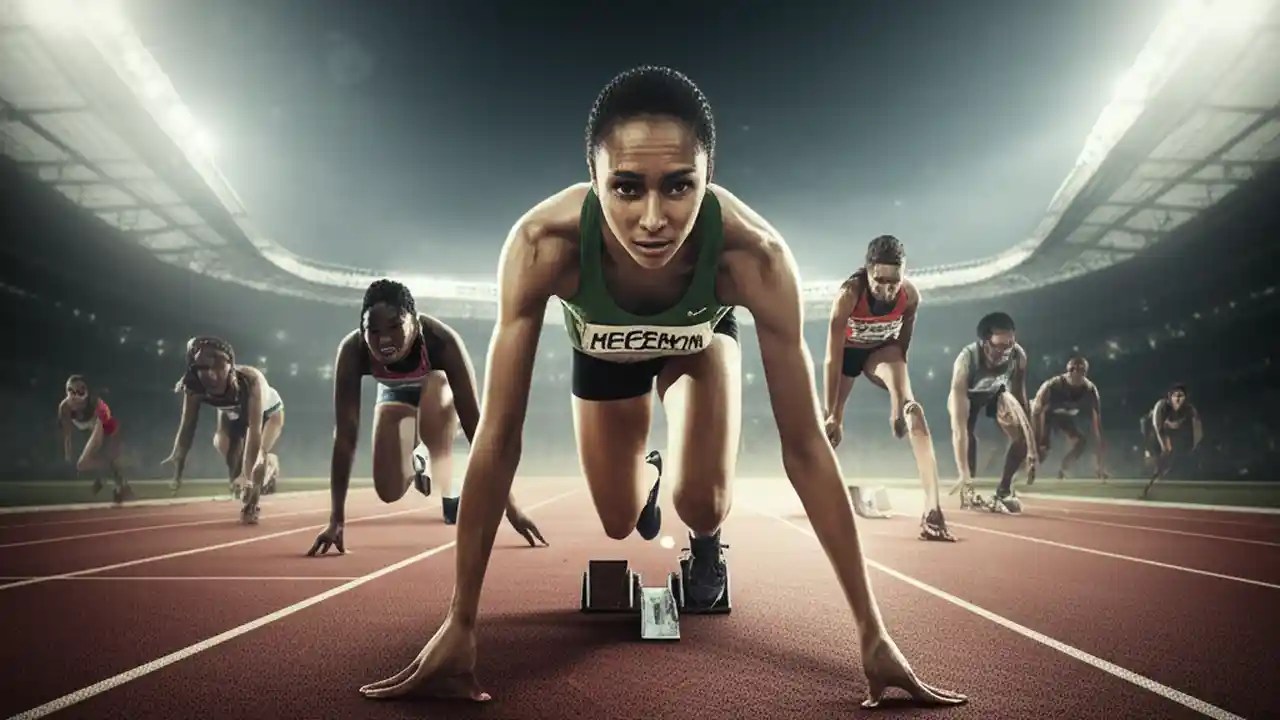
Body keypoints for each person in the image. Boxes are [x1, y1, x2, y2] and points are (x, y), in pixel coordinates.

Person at [359, 65, 965, 709]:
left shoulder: (753, 256)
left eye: (679, 186)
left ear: (709, 176)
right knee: (618, 521)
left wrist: (873, 632)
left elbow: (807, 448)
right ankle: (648, 476)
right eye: (626, 188)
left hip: (697, 343)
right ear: (592, 178)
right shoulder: (542, 245)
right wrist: (461, 621)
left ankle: (704, 546)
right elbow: (498, 438)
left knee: (702, 501)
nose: (653, 220)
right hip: (605, 352)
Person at [307, 279, 547, 556]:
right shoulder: (353, 350)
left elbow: (477, 428)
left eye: (395, 327)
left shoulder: (441, 342)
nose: (384, 340)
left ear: (415, 322)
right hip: (395, 397)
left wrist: (511, 507)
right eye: (373, 331)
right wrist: (336, 520)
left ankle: (440, 457)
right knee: (388, 491)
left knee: (434, 388)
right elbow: (345, 437)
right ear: (362, 330)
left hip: (437, 392)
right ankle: (418, 461)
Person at [822, 235, 954, 541]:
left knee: (913, 409)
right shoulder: (848, 296)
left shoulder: (910, 297)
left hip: (881, 352)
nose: (887, 289)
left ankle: (933, 511)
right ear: (867, 272)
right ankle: (820, 492)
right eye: (879, 281)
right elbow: (832, 357)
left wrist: (898, 398)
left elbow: (901, 348)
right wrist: (833, 413)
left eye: (894, 281)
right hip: (848, 353)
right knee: (827, 431)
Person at [162, 337, 284, 524]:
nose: (211, 375)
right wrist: (178, 458)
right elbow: (187, 425)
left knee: (258, 455)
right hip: (232, 412)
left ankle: (253, 501)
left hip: (267, 413)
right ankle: (247, 478)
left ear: (230, 367)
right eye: (203, 368)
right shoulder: (193, 386)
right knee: (220, 442)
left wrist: (246, 476)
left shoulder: (252, 380)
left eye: (218, 367)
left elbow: (254, 431)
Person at [946, 312, 1037, 513]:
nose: (1005, 352)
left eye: (1010, 344)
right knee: (967, 434)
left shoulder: (1018, 355)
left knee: (1021, 434)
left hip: (996, 393)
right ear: (985, 343)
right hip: (967, 395)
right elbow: (958, 429)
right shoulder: (966, 360)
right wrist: (963, 472)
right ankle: (968, 489)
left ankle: (1004, 490)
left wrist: (1031, 449)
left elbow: (1020, 397)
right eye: (999, 347)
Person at [57, 374, 132, 503]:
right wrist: (68, 453)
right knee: (86, 464)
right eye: (71, 392)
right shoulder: (64, 408)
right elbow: (67, 434)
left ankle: (115, 482)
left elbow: (107, 426)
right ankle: (114, 481)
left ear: (86, 392)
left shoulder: (95, 403)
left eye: (80, 392)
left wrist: (110, 447)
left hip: (104, 425)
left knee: (86, 462)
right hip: (90, 429)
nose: (75, 397)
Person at [1031, 355, 1107, 480]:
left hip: (1063, 415)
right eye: (1073, 370)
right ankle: (1020, 470)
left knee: (1080, 442)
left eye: (1081, 370)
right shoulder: (1053, 385)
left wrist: (1100, 466)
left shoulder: (1090, 390)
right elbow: (1036, 411)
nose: (1076, 374)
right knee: (1042, 449)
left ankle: (1064, 468)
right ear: (1068, 370)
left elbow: (1097, 427)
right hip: (1044, 414)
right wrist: (1037, 441)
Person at [1141, 384, 1202, 496]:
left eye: (1181, 396)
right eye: (1175, 396)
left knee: (1170, 455)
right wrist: (1164, 447)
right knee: (1163, 452)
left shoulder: (1189, 409)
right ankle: (1150, 470)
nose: (1178, 399)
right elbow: (1157, 426)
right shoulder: (1162, 406)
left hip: (1169, 429)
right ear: (1170, 397)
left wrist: (1195, 444)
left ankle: (1161, 473)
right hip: (1152, 426)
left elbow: (1198, 428)